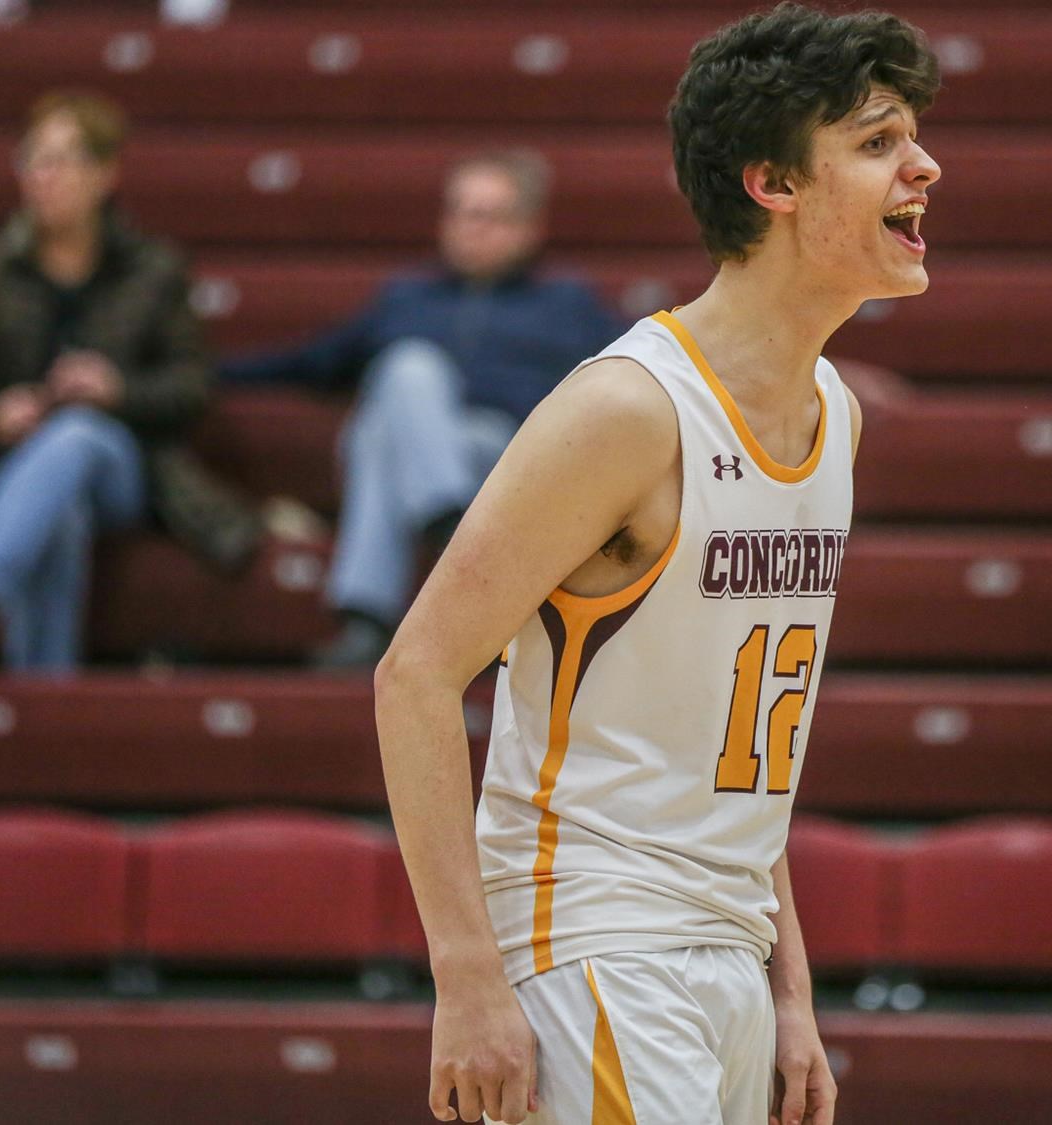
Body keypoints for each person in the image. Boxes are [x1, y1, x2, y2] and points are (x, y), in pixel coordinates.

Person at [372, 6, 939, 1123]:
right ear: (773, 182)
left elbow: (731, 744)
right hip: (595, 950)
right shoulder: (627, 409)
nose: (924, 164)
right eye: (877, 142)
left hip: (726, 948)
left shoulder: (831, 410)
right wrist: (466, 976)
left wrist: (789, 988)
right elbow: (416, 675)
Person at [221, 150, 623, 670]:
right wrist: (210, 373)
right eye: (460, 213)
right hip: (434, 468)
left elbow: (626, 375)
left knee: (382, 431)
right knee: (404, 376)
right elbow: (313, 360)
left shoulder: (567, 304)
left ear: (529, 228)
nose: (469, 228)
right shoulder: (407, 297)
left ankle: (366, 618)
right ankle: (446, 523)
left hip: (504, 459)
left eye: (488, 215)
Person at [0, 90, 258, 675]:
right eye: (32, 160)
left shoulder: (153, 270)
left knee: (76, 436)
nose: (44, 177)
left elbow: (193, 387)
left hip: (123, 463)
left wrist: (116, 390)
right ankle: (44, 702)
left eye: (62, 160)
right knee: (58, 512)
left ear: (105, 174)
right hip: (9, 465)